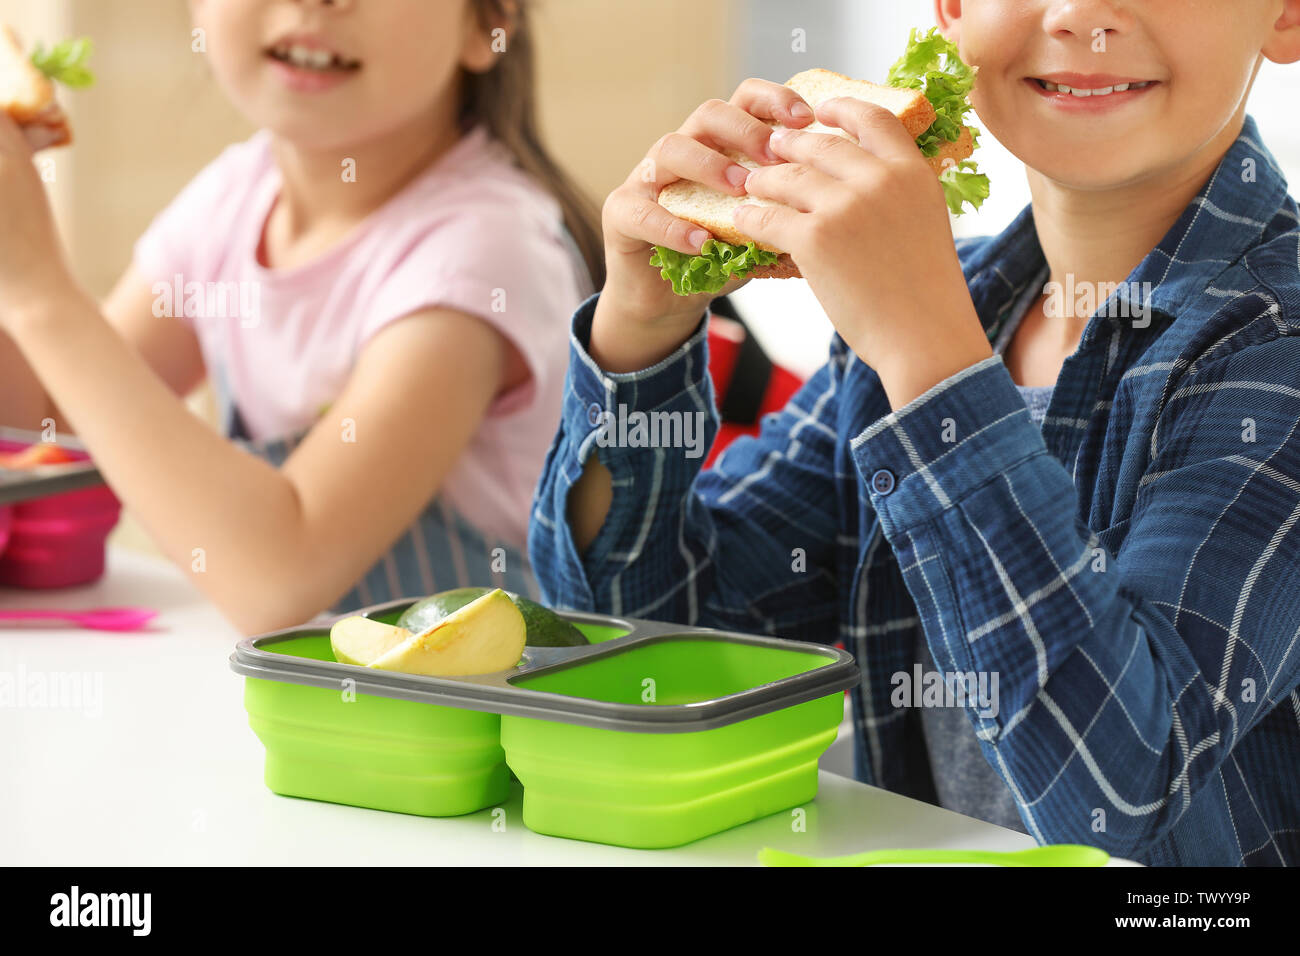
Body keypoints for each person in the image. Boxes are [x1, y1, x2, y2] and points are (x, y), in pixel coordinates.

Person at [529, 0, 1300, 866]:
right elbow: (650, 636)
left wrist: (927, 351)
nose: (1082, 12)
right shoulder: (946, 296)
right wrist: (640, 332)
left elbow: (1122, 790)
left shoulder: (1276, 347)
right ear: (954, 12)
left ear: (1282, 17)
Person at [0, 0, 600, 635]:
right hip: (307, 705)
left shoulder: (484, 249)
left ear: (486, 25)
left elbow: (279, 576)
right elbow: (47, 419)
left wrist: (41, 293)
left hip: (480, 714)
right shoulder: (234, 199)